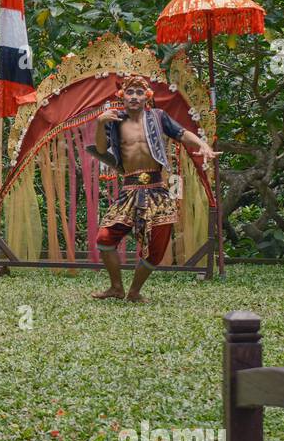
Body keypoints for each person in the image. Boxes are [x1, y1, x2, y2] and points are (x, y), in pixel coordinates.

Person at [85, 74, 218, 302]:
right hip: (129, 191)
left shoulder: (158, 116)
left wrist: (203, 145)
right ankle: (116, 288)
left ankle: (134, 292)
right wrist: (100, 122)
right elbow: (100, 148)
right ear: (122, 97)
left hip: (157, 190)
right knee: (104, 239)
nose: (134, 97)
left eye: (139, 92)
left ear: (147, 97)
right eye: (130, 92)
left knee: (156, 250)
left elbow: (182, 133)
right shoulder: (114, 120)